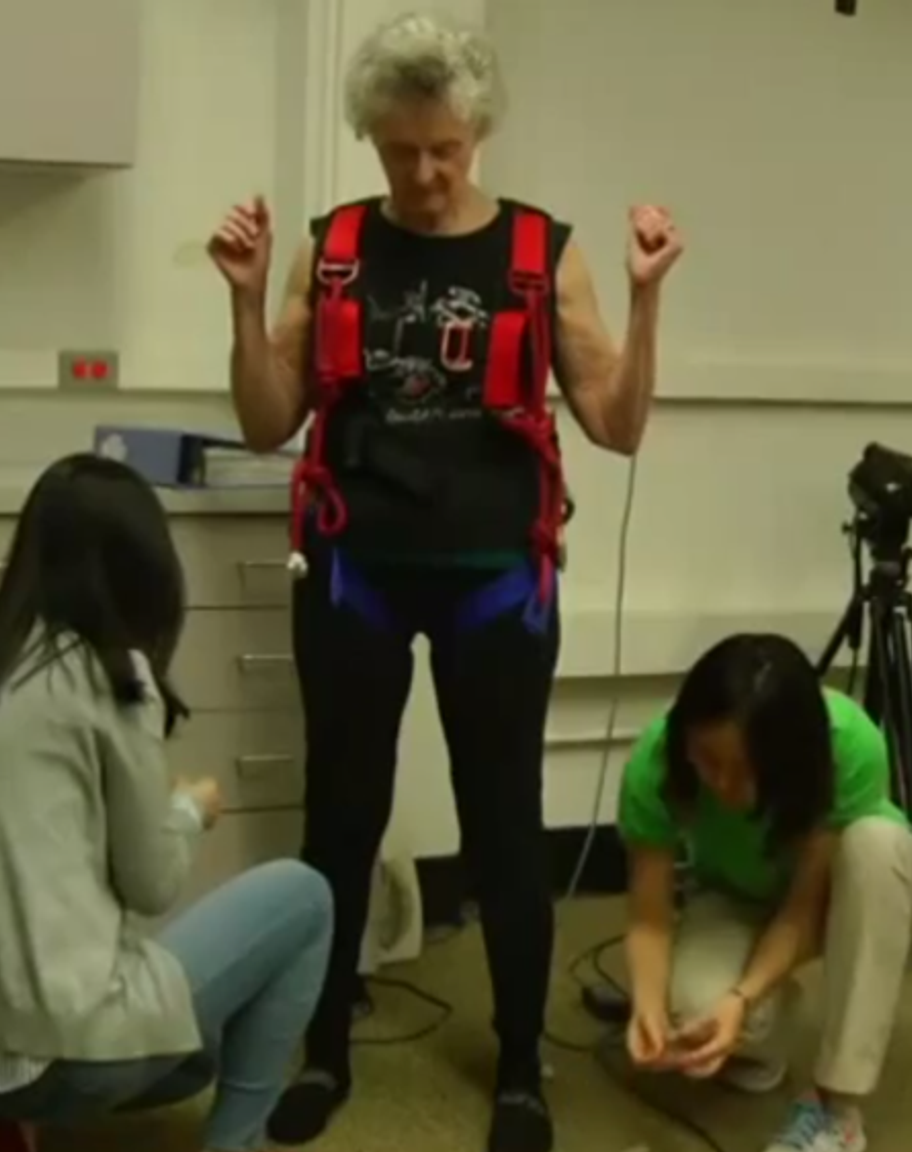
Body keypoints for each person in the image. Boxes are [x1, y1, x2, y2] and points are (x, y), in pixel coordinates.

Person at [205, 12, 683, 1152]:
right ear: (371, 136)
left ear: (476, 132)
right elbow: (269, 419)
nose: (422, 176)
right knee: (338, 821)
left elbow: (613, 425)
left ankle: (521, 1071)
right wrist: (241, 295)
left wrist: (646, 294)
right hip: (352, 570)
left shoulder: (537, 251)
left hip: (495, 582)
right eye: (399, 150)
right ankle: (317, 1050)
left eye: (445, 151)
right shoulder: (332, 250)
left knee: (503, 829)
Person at [0, 452, 334, 1152]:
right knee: (306, 897)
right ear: (144, 568)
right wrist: (189, 810)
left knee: (196, 1046)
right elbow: (151, 883)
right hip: (56, 1048)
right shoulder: (113, 675)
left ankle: (1, 1123)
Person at [617, 634, 912, 1152]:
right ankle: (765, 1043)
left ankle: (838, 1106)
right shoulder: (654, 762)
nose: (723, 784)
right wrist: (647, 1006)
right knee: (694, 1013)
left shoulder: (850, 744)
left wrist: (742, 997)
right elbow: (650, 919)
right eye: (707, 759)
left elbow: (802, 912)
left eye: (745, 771)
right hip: (740, 898)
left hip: (863, 888)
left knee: (873, 845)